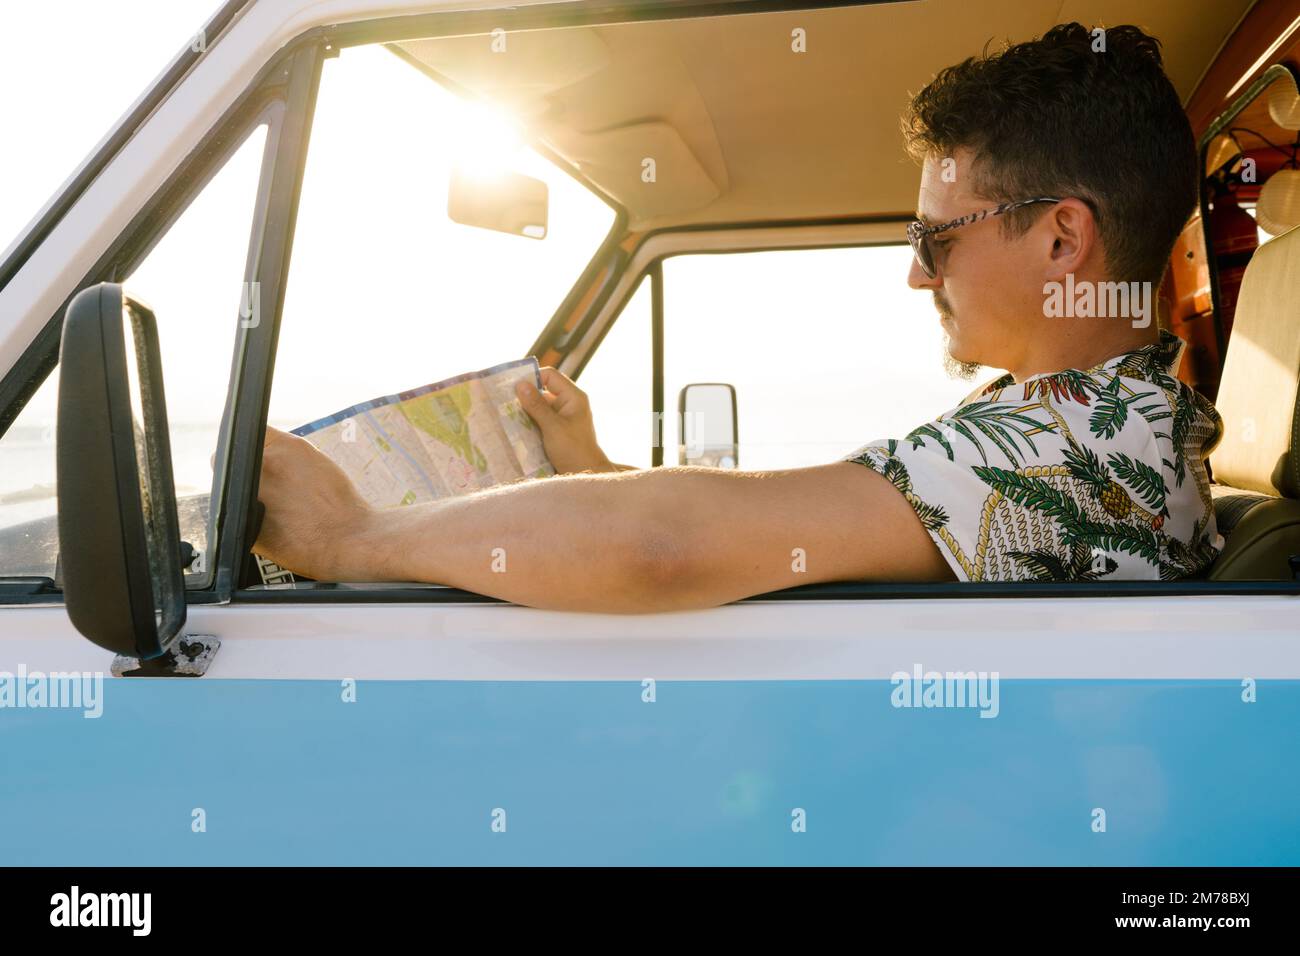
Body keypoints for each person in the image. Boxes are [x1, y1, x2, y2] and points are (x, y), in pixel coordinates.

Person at [252, 22, 1223, 610]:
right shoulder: (1132, 421)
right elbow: (798, 528)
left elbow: (664, 547)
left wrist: (353, 536)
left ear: (1062, 241)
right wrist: (592, 465)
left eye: (937, 238)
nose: (917, 277)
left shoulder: (1052, 449)